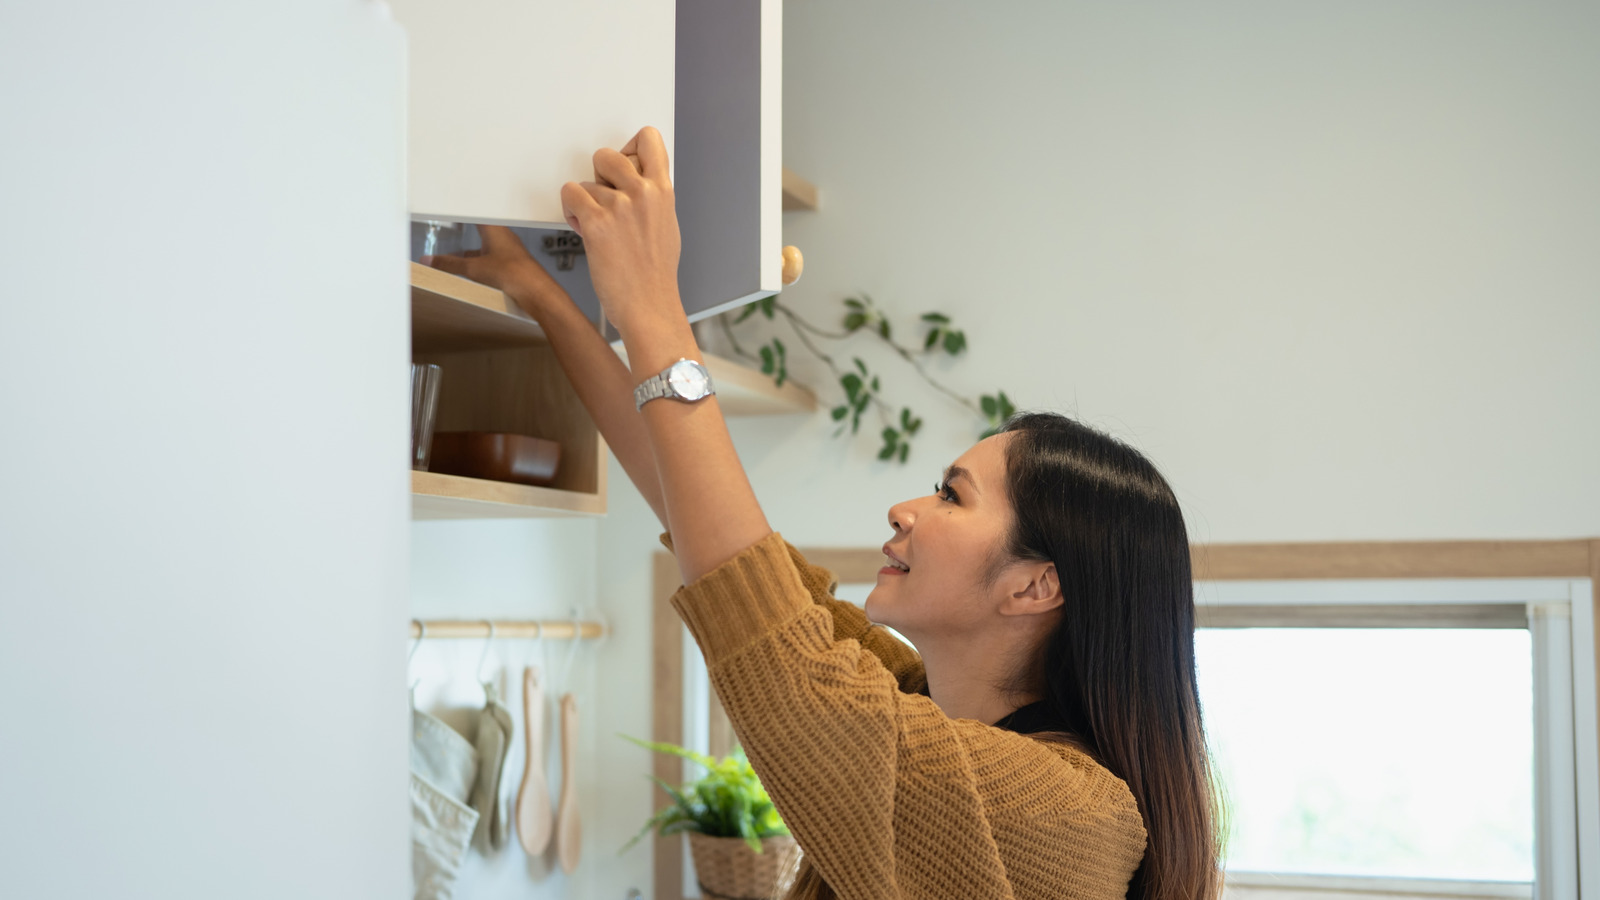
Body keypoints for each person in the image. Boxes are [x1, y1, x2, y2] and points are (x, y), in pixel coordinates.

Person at [425, 127, 1223, 900]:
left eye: (951, 495)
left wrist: (654, 306)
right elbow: (731, 554)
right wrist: (540, 292)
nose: (906, 508)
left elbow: (772, 645)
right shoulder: (921, 705)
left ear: (1034, 586)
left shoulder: (1066, 813)